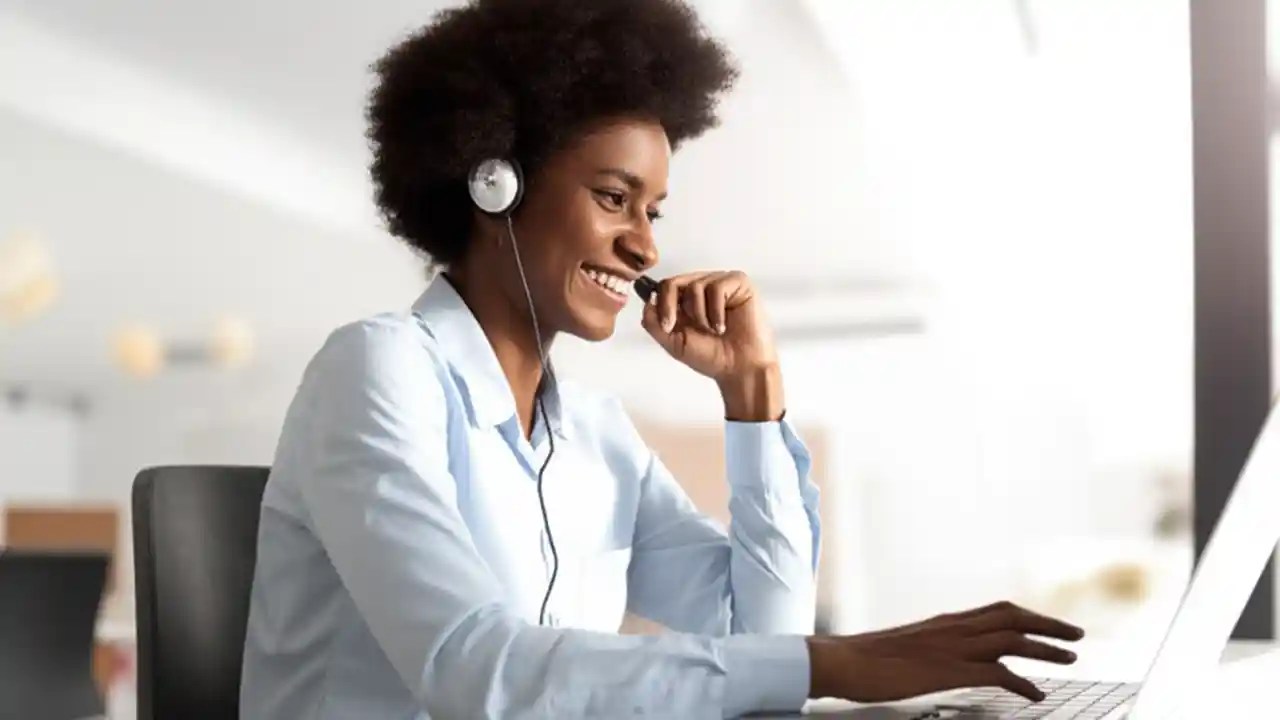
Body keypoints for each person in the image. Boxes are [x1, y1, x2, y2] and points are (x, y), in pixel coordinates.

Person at [239, 0, 1084, 717]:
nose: (644, 245)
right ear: (493, 183)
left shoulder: (599, 437)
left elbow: (760, 641)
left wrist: (753, 395)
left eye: (654, 211)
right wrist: (838, 664)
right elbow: (471, 668)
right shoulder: (375, 371)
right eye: (614, 198)